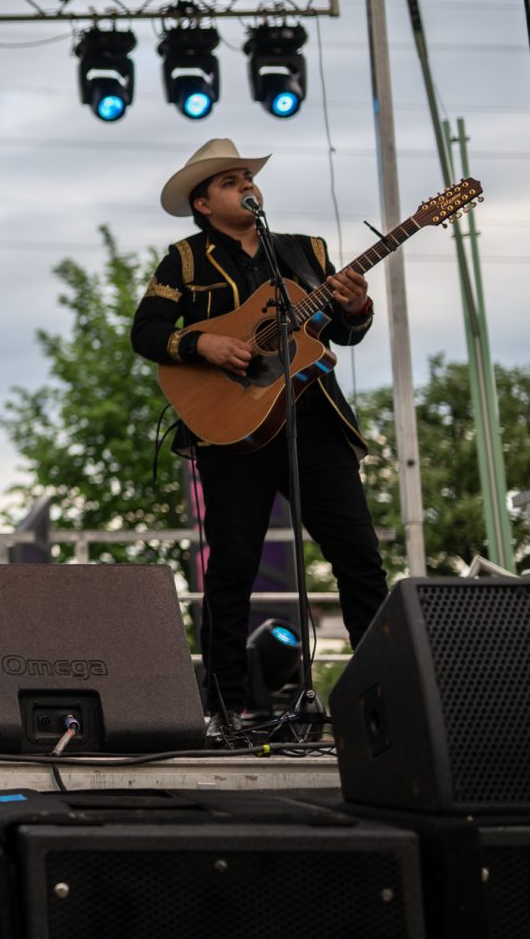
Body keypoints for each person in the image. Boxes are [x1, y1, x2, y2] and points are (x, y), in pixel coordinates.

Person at [130, 138, 389, 738]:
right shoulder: (185, 261)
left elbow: (344, 334)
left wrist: (357, 306)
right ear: (202, 203)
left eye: (248, 176)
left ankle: (386, 692)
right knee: (232, 571)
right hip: (232, 434)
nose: (246, 184)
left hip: (315, 426)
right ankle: (225, 709)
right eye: (230, 180)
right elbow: (146, 333)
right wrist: (205, 343)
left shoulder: (305, 252)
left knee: (360, 561)